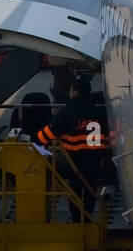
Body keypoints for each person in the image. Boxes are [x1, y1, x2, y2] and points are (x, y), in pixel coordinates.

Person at [35, 75, 106, 222]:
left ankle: (77, 219)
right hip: (94, 159)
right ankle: (88, 216)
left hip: (75, 161)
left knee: (75, 189)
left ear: (75, 91)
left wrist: (34, 140)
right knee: (91, 188)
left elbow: (48, 134)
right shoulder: (98, 112)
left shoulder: (68, 113)